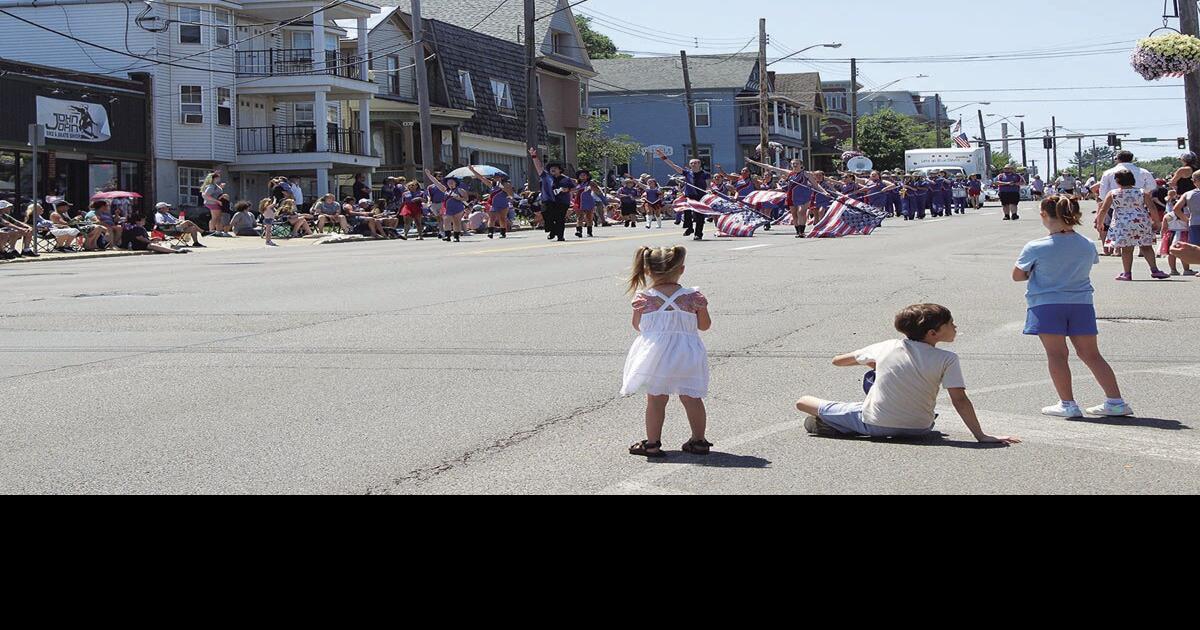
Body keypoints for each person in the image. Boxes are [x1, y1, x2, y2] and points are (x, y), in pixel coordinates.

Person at [796, 304, 1018, 444]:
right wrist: (981, 436)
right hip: (920, 427)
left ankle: (833, 424)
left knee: (803, 402)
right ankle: (843, 423)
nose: (955, 326)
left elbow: (837, 361)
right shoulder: (947, 358)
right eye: (950, 324)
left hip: (875, 424)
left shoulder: (887, 346)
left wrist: (873, 363)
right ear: (933, 333)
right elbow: (959, 399)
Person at [1014, 196, 1132, 417]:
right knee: (1091, 354)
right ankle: (1116, 401)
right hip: (1081, 303)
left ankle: (1067, 404)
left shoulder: (1036, 246)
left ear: (1044, 215)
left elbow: (1018, 275)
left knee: (1057, 354)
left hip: (1046, 304)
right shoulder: (1086, 244)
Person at [621, 246, 712, 458]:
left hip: (656, 356)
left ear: (647, 271)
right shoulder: (693, 297)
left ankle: (652, 444)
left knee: (656, 399)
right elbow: (705, 326)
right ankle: (699, 441)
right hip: (687, 353)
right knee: (692, 397)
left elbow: (638, 326)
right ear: (681, 269)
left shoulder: (644, 299)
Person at [1096, 169, 1169, 281]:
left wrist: (1100, 223)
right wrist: (1156, 221)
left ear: (1117, 181)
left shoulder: (1113, 193)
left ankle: (1127, 273)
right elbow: (1152, 208)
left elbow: (1103, 209)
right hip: (1141, 221)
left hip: (1122, 223)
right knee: (1146, 246)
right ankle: (1154, 270)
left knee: (1126, 249)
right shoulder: (1142, 192)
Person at [657, 149, 711, 241]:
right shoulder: (687, 173)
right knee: (686, 212)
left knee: (699, 216)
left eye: (695, 163)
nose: (693, 164)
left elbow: (709, 185)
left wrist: (709, 191)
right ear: (690, 165)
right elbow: (673, 166)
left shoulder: (705, 174)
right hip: (689, 196)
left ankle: (698, 234)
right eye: (692, 163)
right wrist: (663, 157)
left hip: (700, 197)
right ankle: (689, 228)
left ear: (699, 164)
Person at [529, 147, 574, 242]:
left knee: (560, 219)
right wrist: (534, 156)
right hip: (548, 200)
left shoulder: (565, 179)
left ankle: (560, 236)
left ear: (560, 170)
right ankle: (553, 230)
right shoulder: (545, 176)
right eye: (551, 168)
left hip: (562, 202)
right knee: (546, 215)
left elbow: (573, 188)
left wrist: (566, 190)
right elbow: (539, 166)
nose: (552, 169)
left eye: (555, 168)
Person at [470, 166, 514, 239]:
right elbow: (481, 178)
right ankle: (490, 232)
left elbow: (511, 194)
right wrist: (473, 170)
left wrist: (501, 186)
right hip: (494, 204)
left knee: (502, 219)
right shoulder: (492, 184)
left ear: (502, 178)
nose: (496, 179)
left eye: (498, 177)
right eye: (495, 177)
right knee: (492, 218)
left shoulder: (506, 184)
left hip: (503, 204)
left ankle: (503, 233)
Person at [425, 170, 467, 242]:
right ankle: (448, 236)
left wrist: (458, 198)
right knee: (446, 221)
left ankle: (456, 237)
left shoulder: (460, 190)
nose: (450, 183)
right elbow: (436, 183)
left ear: (455, 183)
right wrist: (429, 175)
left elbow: (466, 198)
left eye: (452, 182)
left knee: (456, 222)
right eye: (448, 182)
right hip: (447, 208)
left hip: (458, 208)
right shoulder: (445, 190)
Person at [121, 213, 190, 254]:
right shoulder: (135, 228)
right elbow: (140, 238)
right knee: (152, 245)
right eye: (143, 220)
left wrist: (152, 238)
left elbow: (144, 237)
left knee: (162, 243)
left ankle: (177, 249)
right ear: (137, 221)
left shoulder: (140, 227)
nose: (144, 221)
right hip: (135, 244)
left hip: (141, 243)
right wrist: (150, 241)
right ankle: (174, 251)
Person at [1163, 186, 1193, 275]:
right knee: (1184, 253)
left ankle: (1173, 270)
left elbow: (1164, 227)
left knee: (1171, 253)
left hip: (1171, 234)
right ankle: (1186, 270)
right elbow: (1188, 224)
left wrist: (1163, 235)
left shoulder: (1168, 215)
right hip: (1184, 233)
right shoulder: (1186, 214)